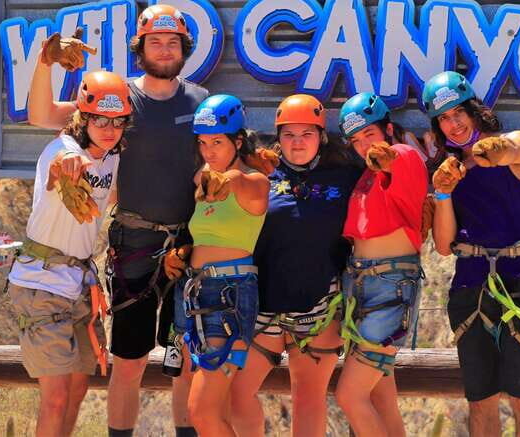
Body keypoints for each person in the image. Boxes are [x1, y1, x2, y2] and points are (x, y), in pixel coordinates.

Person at [26, 4, 208, 437]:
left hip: (189, 244)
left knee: (185, 359)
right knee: (128, 361)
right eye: (155, 42)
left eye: (173, 42)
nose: (164, 50)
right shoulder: (118, 98)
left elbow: (221, 155)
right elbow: (43, 116)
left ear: (184, 49)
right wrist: (44, 63)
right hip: (133, 244)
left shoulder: (201, 100)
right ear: (140, 48)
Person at [423, 71, 520, 437]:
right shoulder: (450, 173)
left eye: (458, 113)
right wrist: (443, 193)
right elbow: (443, 245)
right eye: (444, 119)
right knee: (480, 401)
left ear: (474, 111)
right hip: (469, 287)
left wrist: (498, 150)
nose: (453, 124)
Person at [8, 71, 131, 437]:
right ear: (83, 117)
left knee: (77, 389)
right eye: (100, 120)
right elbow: (61, 162)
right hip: (42, 284)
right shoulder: (62, 149)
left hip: (79, 284)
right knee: (56, 398)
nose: (109, 130)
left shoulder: (111, 158)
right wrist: (67, 166)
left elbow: (114, 195)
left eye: (118, 122)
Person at [230, 94, 361, 437]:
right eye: (289, 134)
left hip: (319, 303)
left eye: (307, 134)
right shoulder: (261, 174)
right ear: (278, 137)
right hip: (264, 304)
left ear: (322, 137)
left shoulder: (346, 175)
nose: (297, 142)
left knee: (308, 399)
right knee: (235, 396)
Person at [171, 94, 269, 437]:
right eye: (202, 143)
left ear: (238, 142)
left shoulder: (253, 181)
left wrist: (229, 176)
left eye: (217, 142)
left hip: (229, 296)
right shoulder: (204, 182)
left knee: (201, 412)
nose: (208, 151)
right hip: (196, 294)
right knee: (213, 411)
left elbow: (243, 182)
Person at [335, 92, 427, 437]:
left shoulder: (404, 155)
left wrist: (383, 155)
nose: (364, 146)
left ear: (388, 129)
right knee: (381, 398)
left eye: (369, 134)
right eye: (356, 140)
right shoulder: (365, 177)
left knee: (349, 395)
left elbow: (394, 159)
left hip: (390, 284)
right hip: (363, 284)